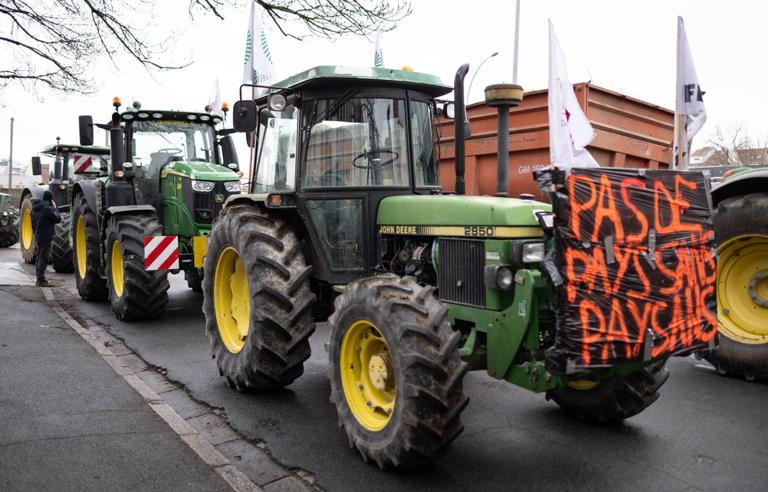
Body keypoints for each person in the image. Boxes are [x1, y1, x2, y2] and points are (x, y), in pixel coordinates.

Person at [31, 190, 61, 287]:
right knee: (44, 258)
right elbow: (58, 219)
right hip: (46, 237)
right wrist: (55, 208)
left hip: (38, 236)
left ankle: (39, 279)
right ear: (50, 199)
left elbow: (33, 224)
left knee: (39, 257)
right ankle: (41, 280)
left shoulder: (34, 209)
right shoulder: (47, 209)